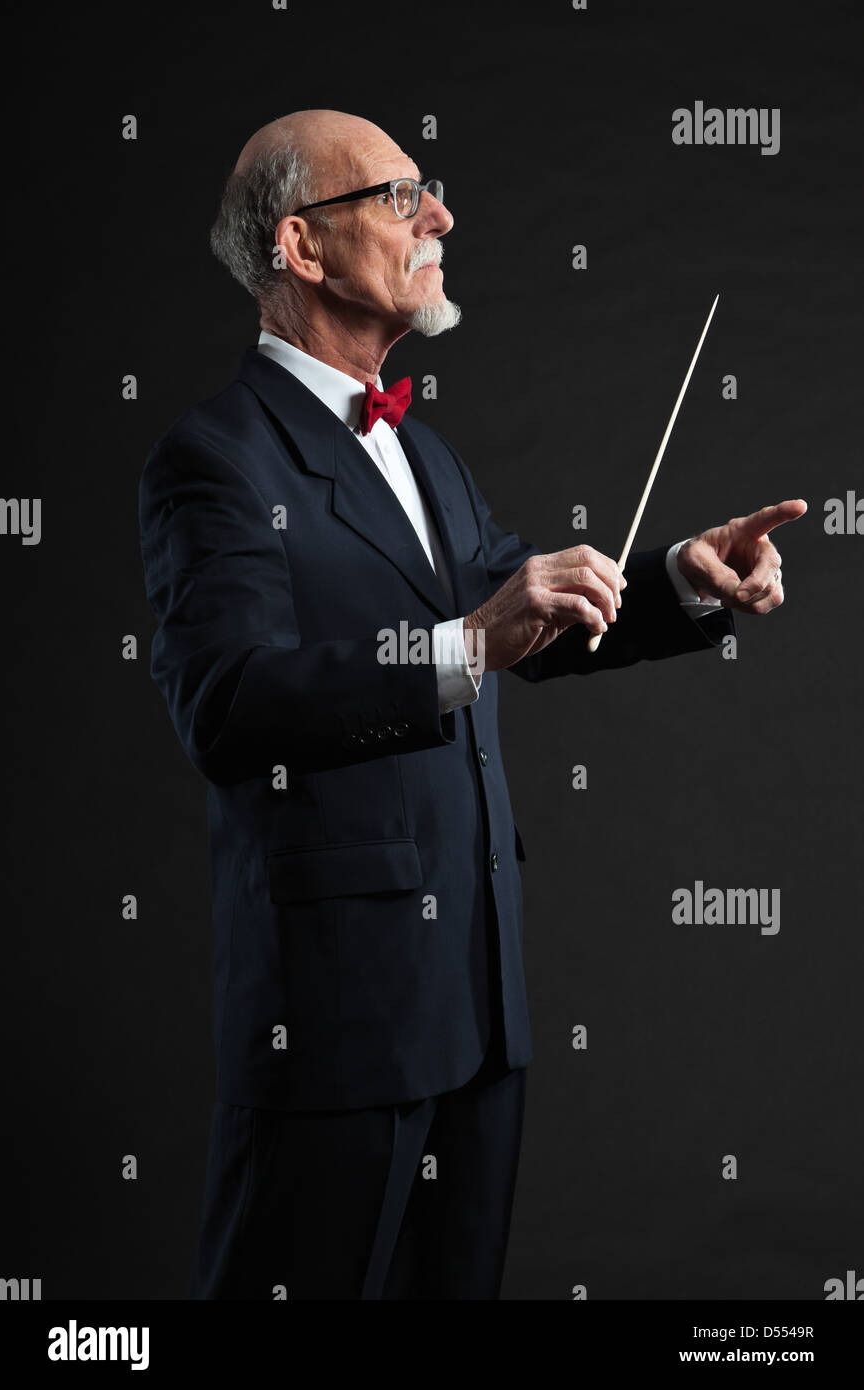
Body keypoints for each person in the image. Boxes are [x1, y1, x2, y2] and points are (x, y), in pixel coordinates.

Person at [138, 109, 805, 1300]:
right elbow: (228, 704)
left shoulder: (426, 454)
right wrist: (461, 640)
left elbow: (523, 625)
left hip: (478, 1011)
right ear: (300, 247)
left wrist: (677, 579)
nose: (439, 216)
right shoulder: (216, 459)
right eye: (401, 197)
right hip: (337, 1024)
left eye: (429, 191)